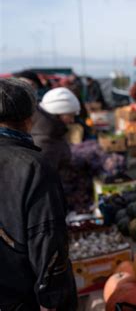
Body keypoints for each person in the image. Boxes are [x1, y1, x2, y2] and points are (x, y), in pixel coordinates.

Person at [0, 78, 77, 310]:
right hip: (20, 297)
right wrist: (54, 301)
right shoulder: (33, 167)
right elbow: (47, 243)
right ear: (29, 118)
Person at [31, 87, 81, 172]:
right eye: (70, 115)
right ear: (58, 114)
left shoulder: (54, 130)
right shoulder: (45, 140)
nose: (72, 120)